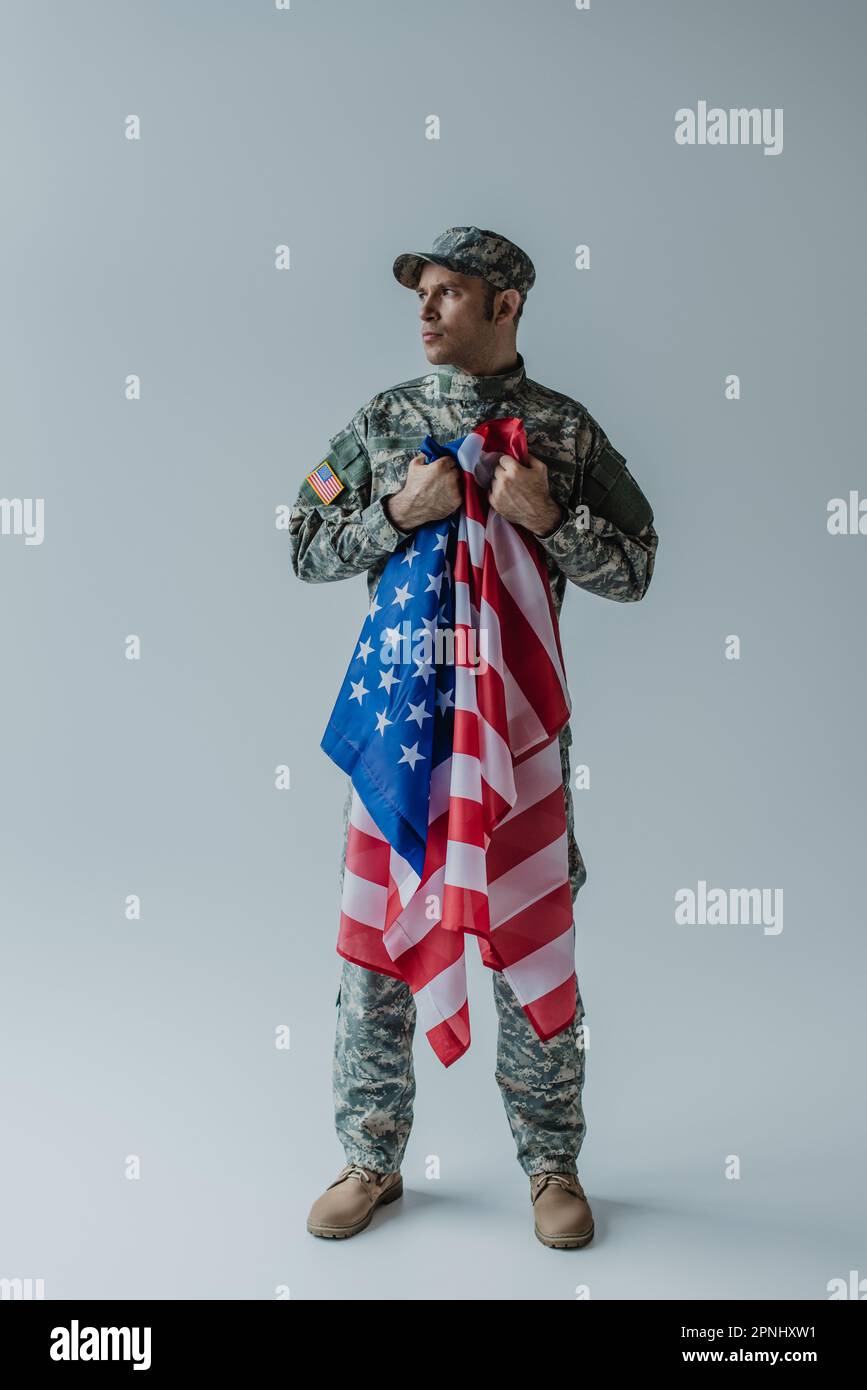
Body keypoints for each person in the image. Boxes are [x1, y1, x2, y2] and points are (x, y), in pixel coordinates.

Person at [288, 227, 658, 1248]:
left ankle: (552, 1167)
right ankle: (371, 1157)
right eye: (423, 291)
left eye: (452, 292)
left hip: (515, 737)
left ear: (509, 307)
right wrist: (398, 512)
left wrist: (549, 520)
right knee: (377, 947)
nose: (428, 308)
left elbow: (637, 564)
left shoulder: (563, 432)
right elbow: (302, 543)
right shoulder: (384, 422)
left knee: (531, 937)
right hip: (402, 727)